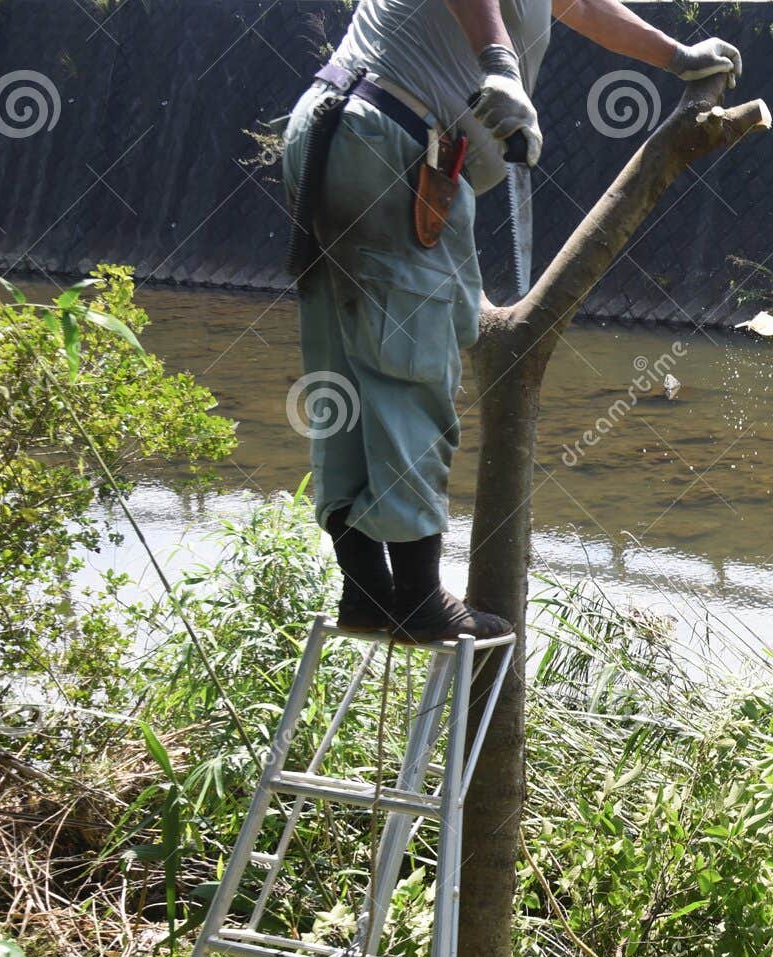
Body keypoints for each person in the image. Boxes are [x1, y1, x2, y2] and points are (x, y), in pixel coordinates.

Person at [282, 0, 741, 642]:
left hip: (341, 127)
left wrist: (675, 56)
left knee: (345, 371)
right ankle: (416, 597)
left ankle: (364, 588)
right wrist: (501, 66)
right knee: (414, 365)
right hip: (393, 142)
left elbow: (580, 6)